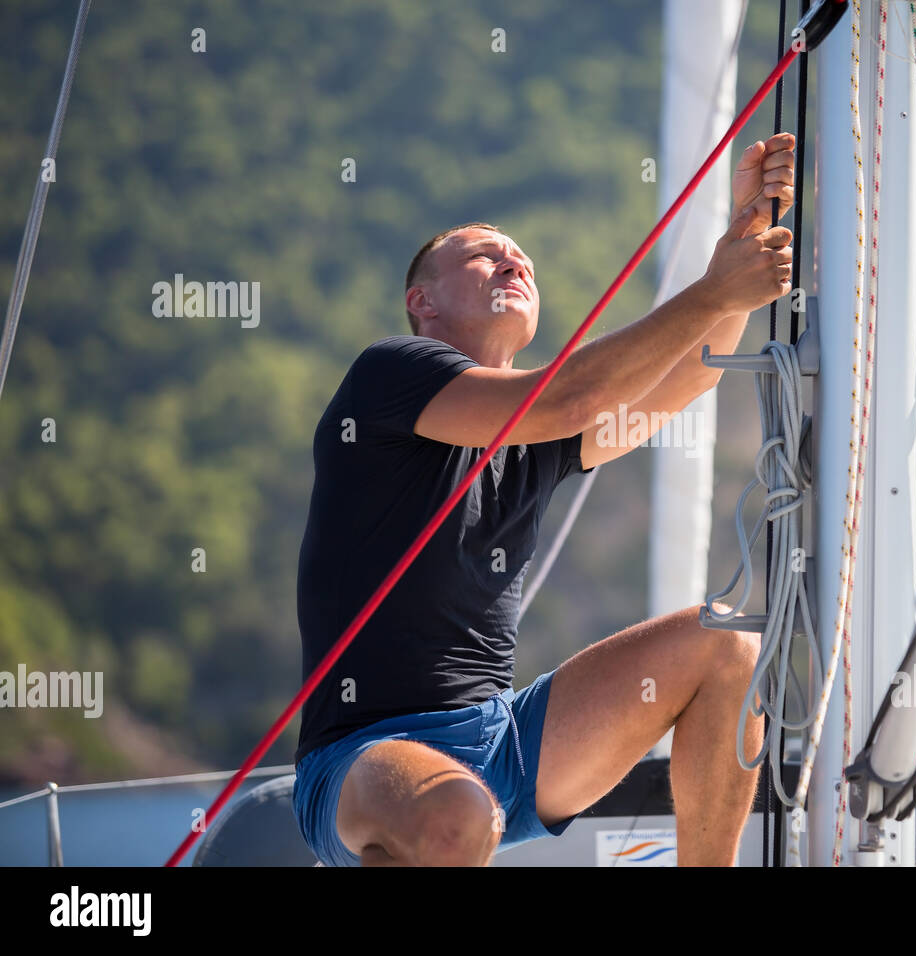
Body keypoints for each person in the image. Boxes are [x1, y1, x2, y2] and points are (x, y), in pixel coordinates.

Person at [292, 133, 798, 866]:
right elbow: (569, 398)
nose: (513, 259)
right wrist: (715, 290)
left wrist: (742, 236)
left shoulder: (539, 436)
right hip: (366, 758)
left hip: (506, 740)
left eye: (521, 256)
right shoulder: (390, 374)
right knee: (454, 815)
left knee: (724, 645)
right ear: (421, 301)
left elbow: (689, 377)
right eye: (483, 253)